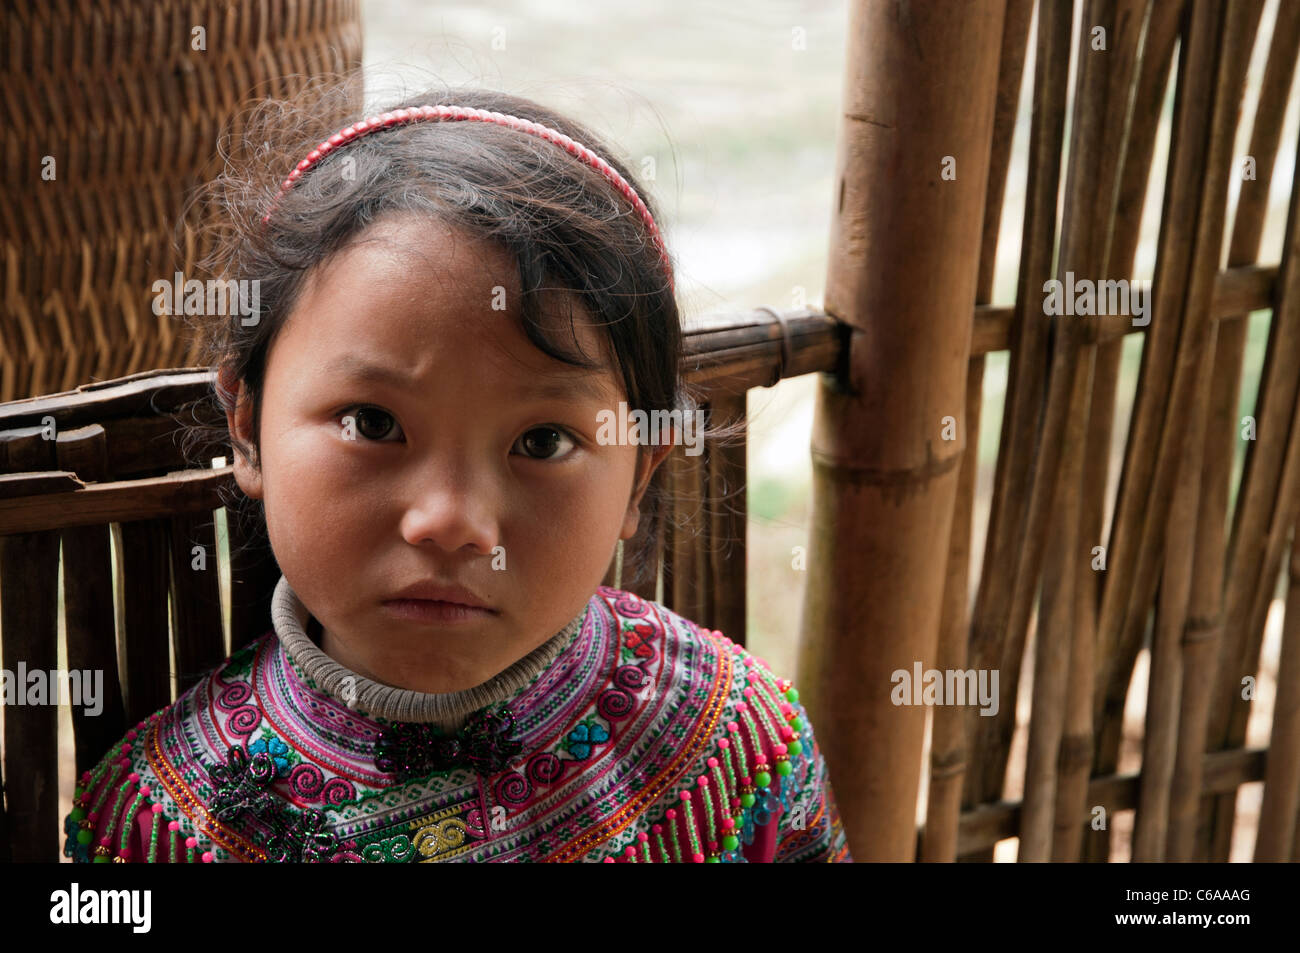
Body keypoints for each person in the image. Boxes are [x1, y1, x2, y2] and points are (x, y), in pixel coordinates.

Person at [62, 81, 852, 863]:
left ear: (639, 478)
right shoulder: (153, 831)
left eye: (542, 441)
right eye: (373, 423)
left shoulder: (743, 753)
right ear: (247, 427)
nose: (451, 519)